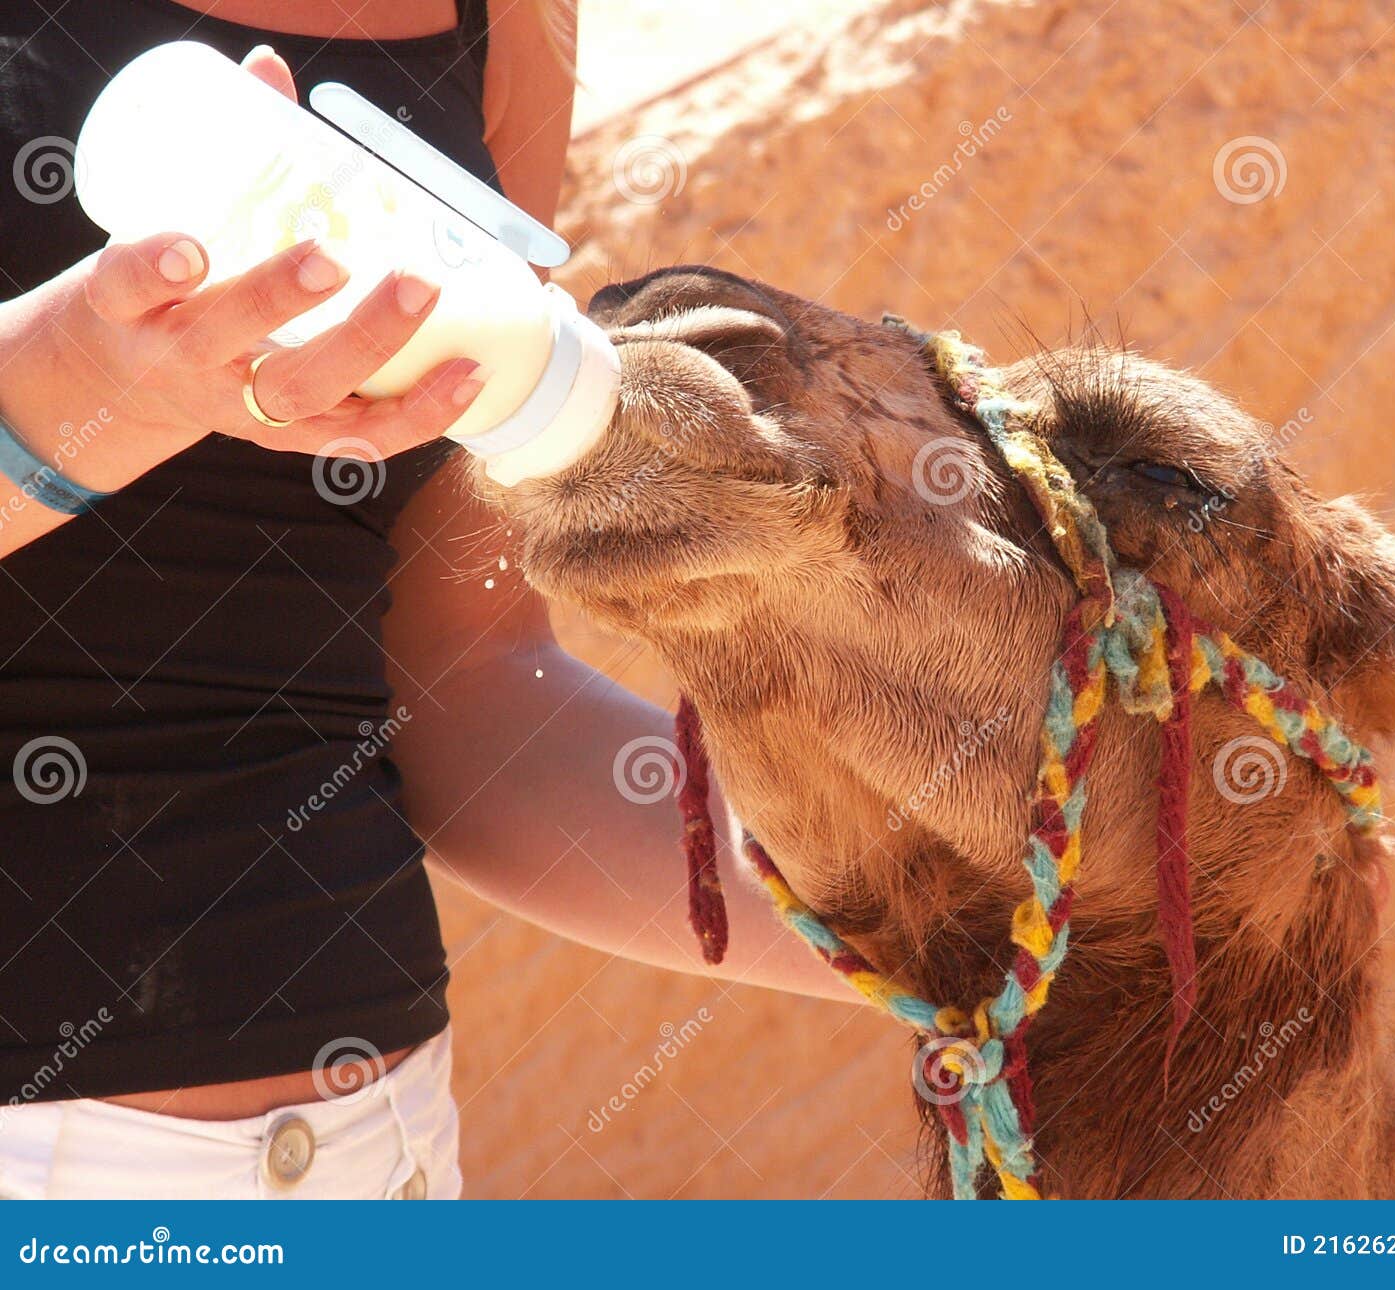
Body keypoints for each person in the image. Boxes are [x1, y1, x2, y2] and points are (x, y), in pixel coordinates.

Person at [0, 0, 845, 1200]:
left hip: (377, 1158)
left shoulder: (508, 23)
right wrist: (91, 378)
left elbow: (468, 694)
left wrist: (916, 910)